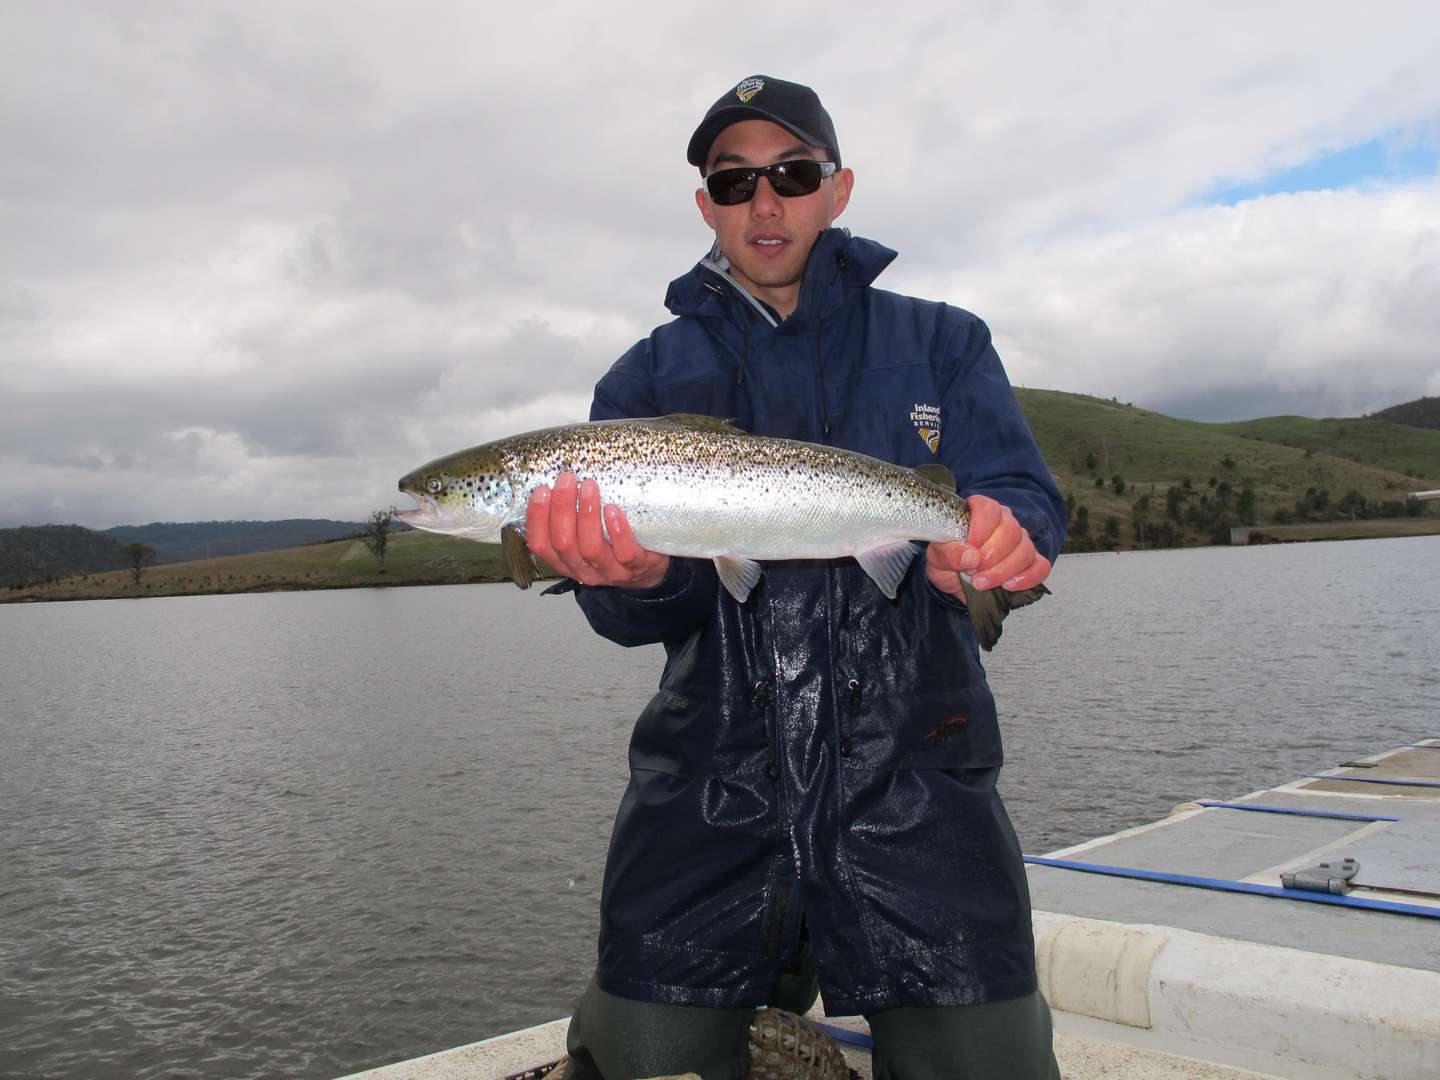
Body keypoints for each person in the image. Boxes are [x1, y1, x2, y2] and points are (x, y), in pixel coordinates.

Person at [525, 75, 1066, 1080]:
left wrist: (1008, 544)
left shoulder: (947, 343)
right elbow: (647, 611)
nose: (764, 201)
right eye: (735, 182)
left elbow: (1021, 497)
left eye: (792, 172)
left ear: (837, 188)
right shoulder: (642, 381)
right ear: (705, 207)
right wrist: (635, 580)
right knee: (641, 1060)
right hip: (705, 798)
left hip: (920, 793)